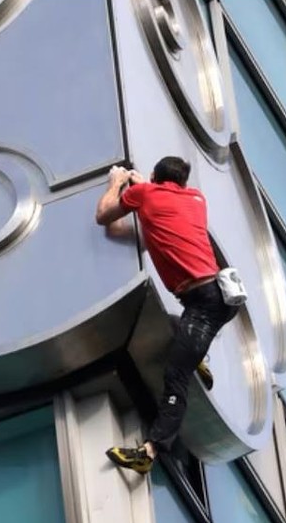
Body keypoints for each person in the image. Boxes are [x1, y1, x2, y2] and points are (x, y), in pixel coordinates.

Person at [94, 156, 239, 474]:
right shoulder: (196, 199)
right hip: (216, 296)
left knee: (176, 377)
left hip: (204, 302)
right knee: (173, 328)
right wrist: (147, 184)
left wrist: (117, 183)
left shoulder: (146, 195)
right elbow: (161, 220)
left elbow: (105, 217)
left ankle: (150, 452)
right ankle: (196, 355)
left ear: (156, 179)